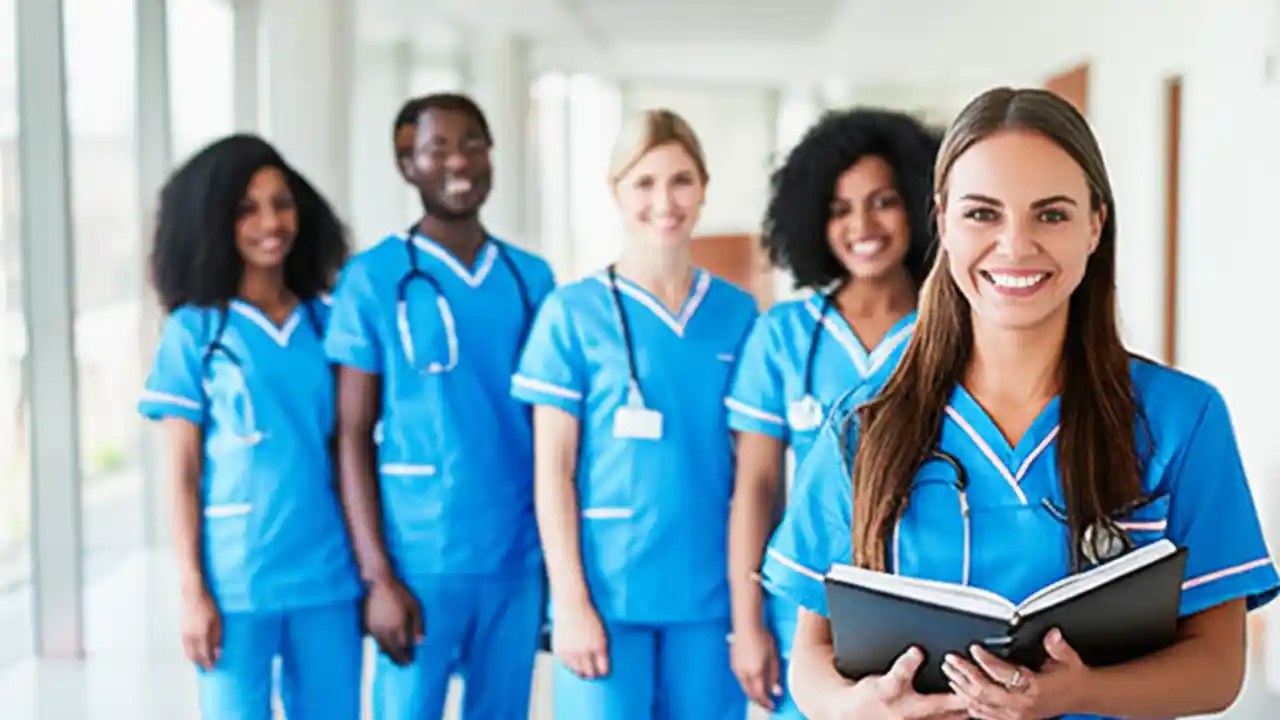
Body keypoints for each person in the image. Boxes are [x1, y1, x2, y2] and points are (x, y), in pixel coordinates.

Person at [764, 86, 1280, 720]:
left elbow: (1218, 668)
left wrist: (1083, 692)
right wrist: (863, 707)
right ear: (943, 221)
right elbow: (810, 661)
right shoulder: (864, 425)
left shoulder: (1183, 420)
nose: (1015, 245)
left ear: (1096, 224)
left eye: (1052, 214)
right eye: (983, 214)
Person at [511, 108, 757, 719]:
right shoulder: (572, 314)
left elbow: (757, 470)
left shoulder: (739, 315)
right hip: (605, 599)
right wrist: (569, 603)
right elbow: (553, 471)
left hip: (710, 600)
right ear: (615, 191)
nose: (664, 201)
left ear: (703, 190)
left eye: (680, 180)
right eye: (643, 183)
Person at [324, 92, 556, 720]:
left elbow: (554, 432)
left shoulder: (530, 280)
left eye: (473, 144)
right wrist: (378, 578)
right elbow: (350, 435)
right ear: (408, 164)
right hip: (417, 557)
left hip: (515, 555)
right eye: (437, 148)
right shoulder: (372, 279)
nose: (459, 161)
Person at [138, 134, 361, 719]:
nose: (271, 222)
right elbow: (182, 475)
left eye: (281, 203)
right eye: (247, 208)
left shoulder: (327, 322)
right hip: (236, 585)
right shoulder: (196, 333)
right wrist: (193, 593)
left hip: (327, 577)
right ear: (215, 222)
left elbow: (348, 452)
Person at [725, 109, 939, 717]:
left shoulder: (952, 330)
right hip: (804, 608)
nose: (862, 226)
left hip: (924, 606)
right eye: (840, 209)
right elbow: (757, 488)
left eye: (883, 201)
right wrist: (748, 624)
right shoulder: (784, 336)